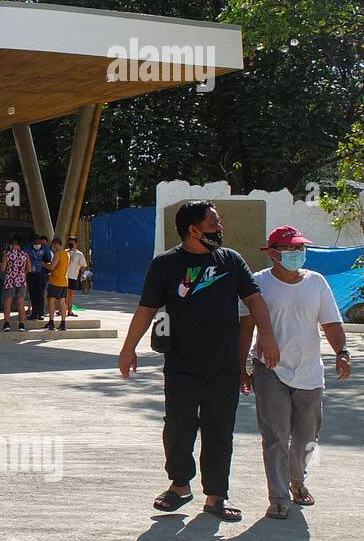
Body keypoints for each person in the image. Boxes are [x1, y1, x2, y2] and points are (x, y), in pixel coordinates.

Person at [118, 200, 279, 523]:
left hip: (224, 364)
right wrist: (128, 348)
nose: (220, 228)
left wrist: (267, 336)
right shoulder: (165, 265)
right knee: (178, 427)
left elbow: (254, 299)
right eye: (213, 223)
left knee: (220, 430)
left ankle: (216, 496)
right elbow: (147, 309)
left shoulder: (230, 260)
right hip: (181, 364)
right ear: (193, 230)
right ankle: (179, 486)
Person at [238, 226, 351, 520]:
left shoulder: (316, 282)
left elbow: (331, 322)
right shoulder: (257, 284)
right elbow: (246, 327)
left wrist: (342, 352)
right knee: (275, 436)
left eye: (300, 248)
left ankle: (297, 480)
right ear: (273, 253)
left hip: (309, 373)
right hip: (269, 371)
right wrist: (241, 368)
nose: (297, 254)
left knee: (306, 435)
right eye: (290, 250)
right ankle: (278, 496)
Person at [0, 235, 31, 331]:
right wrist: (21, 273)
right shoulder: (25, 255)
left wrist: (10, 272)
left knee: (7, 303)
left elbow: (3, 268)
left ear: (12, 244)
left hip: (10, 280)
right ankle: (21, 325)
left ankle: (7, 324)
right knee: (21, 303)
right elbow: (29, 268)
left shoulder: (7, 254)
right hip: (21, 280)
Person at [24, 233, 52, 321]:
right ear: (32, 242)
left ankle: (41, 313)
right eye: (35, 242)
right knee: (32, 294)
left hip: (41, 273)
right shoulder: (27, 248)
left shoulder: (45, 248)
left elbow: (48, 259)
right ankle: (34, 313)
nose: (37, 244)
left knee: (40, 293)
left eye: (39, 241)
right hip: (31, 273)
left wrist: (43, 258)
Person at [44, 238, 70, 331]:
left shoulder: (58, 253)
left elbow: (52, 266)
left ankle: (51, 322)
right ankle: (63, 323)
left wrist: (44, 264)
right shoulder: (67, 254)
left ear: (56, 244)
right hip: (64, 281)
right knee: (62, 302)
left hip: (55, 281)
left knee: (51, 300)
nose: (53, 247)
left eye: (53, 245)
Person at [64, 237, 87, 313]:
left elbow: (83, 265)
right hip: (63, 276)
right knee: (63, 294)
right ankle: (63, 310)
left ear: (76, 244)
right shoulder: (65, 252)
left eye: (72, 243)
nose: (70, 244)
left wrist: (83, 274)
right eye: (69, 242)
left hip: (73, 276)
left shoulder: (79, 254)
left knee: (70, 294)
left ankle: (69, 310)